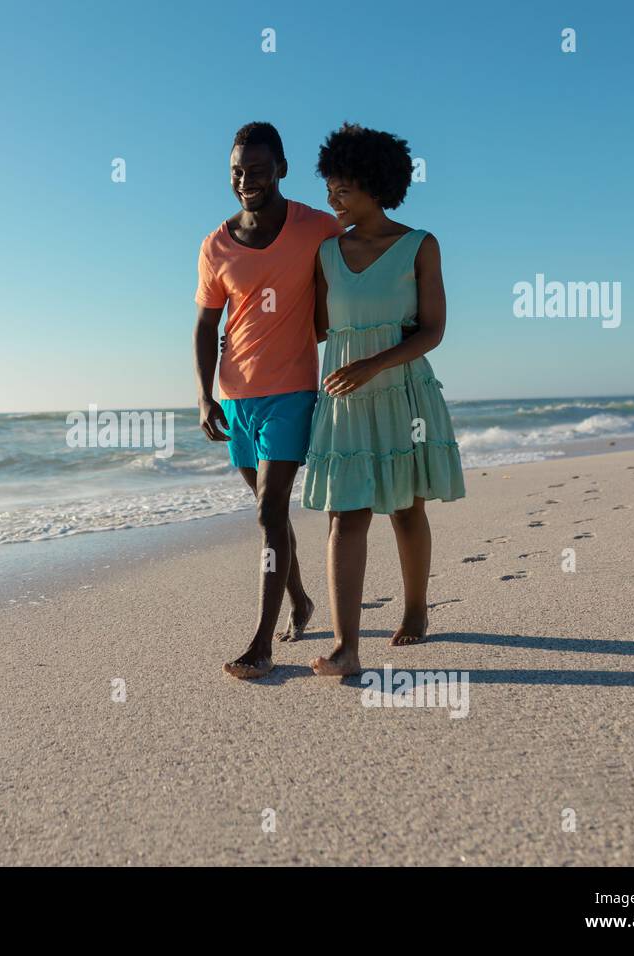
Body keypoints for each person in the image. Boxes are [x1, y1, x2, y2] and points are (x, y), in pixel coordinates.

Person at [302, 123, 466, 677]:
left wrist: (373, 363)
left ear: (376, 186)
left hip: (402, 391)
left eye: (342, 190)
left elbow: (433, 330)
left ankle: (416, 607)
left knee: (405, 507)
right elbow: (319, 327)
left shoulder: (420, 245)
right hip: (345, 402)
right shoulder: (325, 252)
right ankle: (347, 647)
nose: (331, 200)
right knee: (344, 516)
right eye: (329, 188)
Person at [193, 121, 342, 679]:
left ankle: (261, 642)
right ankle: (300, 601)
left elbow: (345, 283)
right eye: (237, 171)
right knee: (270, 513)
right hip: (237, 398)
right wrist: (205, 398)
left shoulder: (317, 227)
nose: (246, 180)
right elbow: (206, 326)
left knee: (267, 510)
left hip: (293, 391)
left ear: (281, 167)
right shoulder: (215, 245)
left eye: (257, 169)